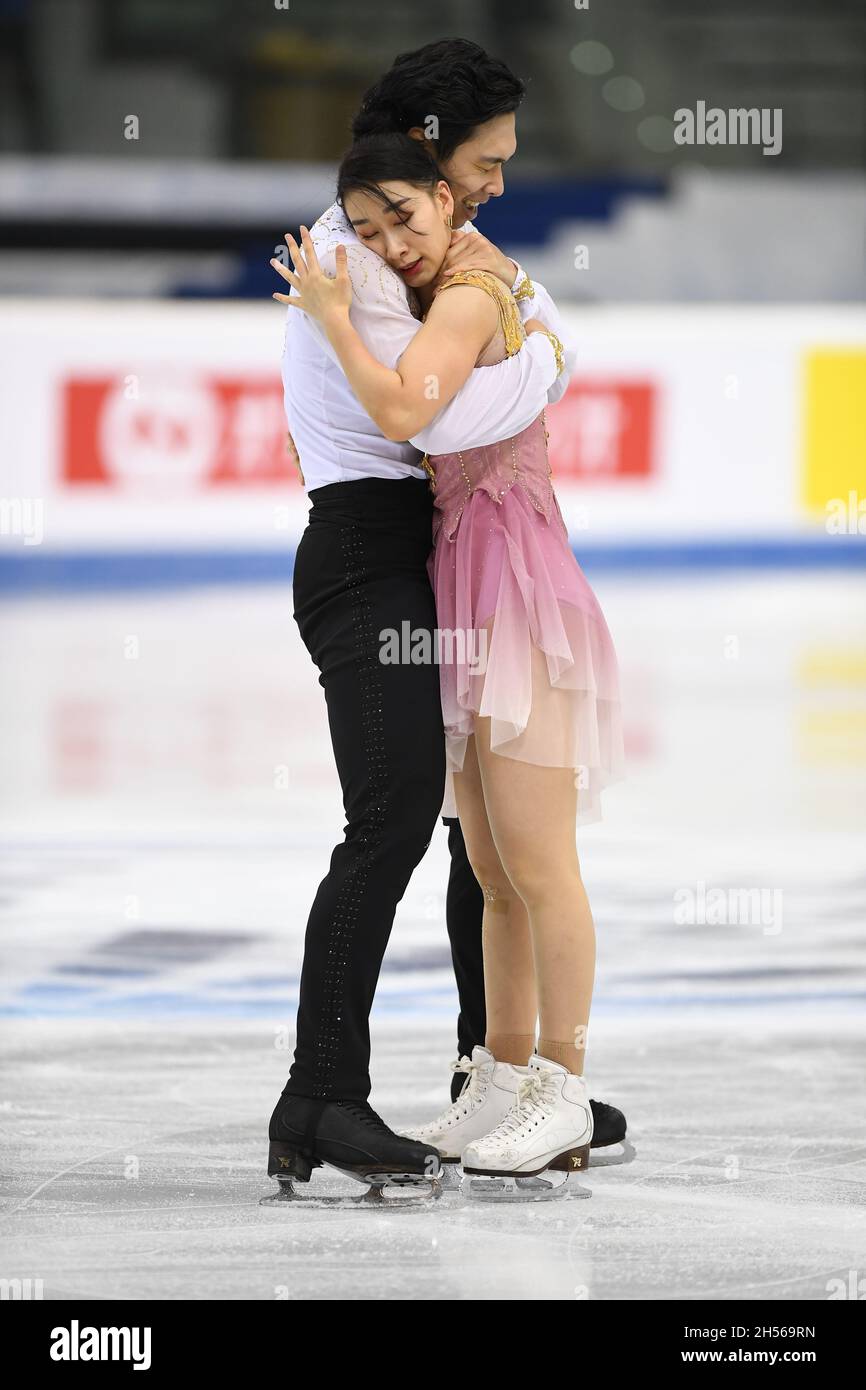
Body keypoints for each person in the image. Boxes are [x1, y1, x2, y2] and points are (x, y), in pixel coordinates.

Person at [268, 39, 626, 1195]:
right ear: (428, 151)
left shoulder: (444, 260)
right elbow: (431, 413)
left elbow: (489, 346)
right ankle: (326, 1089)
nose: (499, 184)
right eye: (488, 159)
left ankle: (516, 1069)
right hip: (379, 549)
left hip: (461, 556)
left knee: (496, 845)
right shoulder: (369, 255)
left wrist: (537, 334)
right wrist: (543, 352)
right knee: (412, 819)